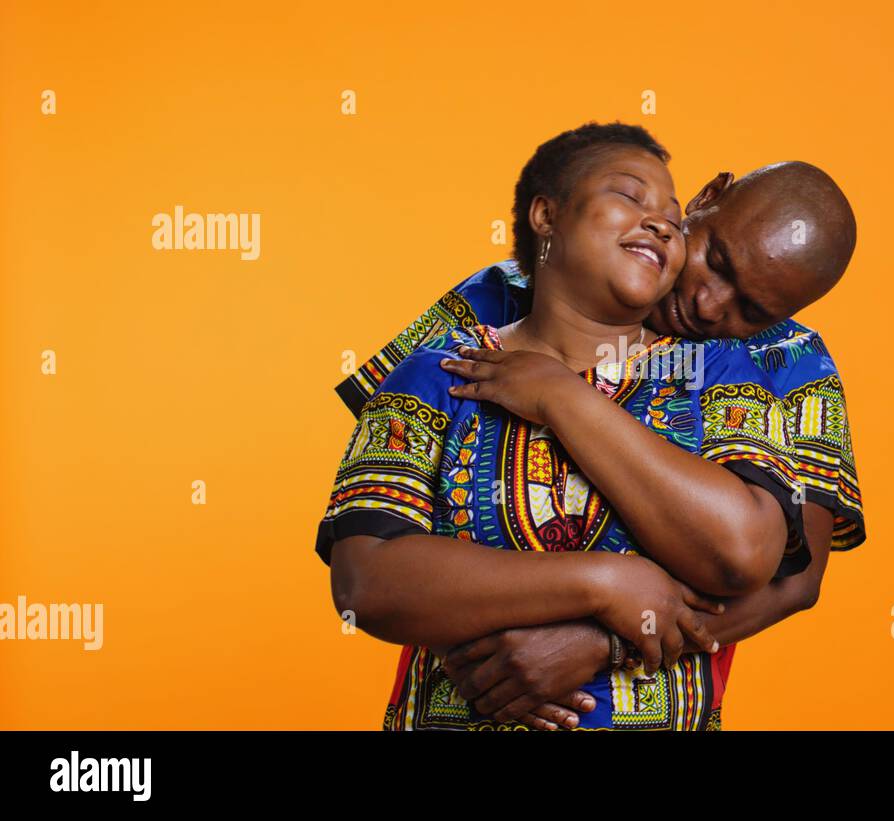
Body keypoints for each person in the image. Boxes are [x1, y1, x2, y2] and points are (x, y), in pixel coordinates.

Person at [333, 139, 866, 730]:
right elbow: (386, 510)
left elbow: (793, 582)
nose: (712, 307)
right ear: (708, 197)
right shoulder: (494, 297)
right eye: (716, 262)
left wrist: (598, 641)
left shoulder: (779, 359)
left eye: (752, 309)